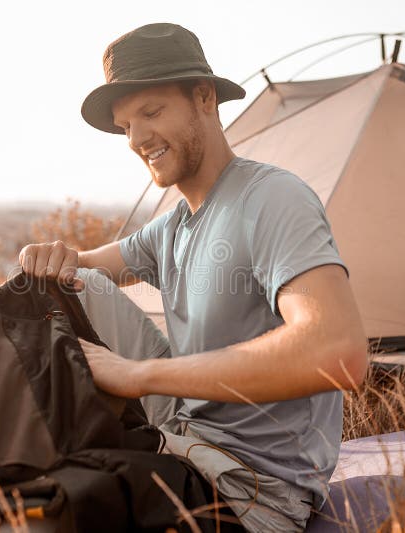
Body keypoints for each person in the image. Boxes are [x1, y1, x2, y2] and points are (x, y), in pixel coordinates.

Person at [19, 22, 368, 532]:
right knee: (58, 283)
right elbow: (84, 267)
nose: (137, 138)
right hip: (181, 433)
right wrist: (50, 255)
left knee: (48, 515)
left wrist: (135, 376)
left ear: (204, 97)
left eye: (151, 112)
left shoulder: (272, 198)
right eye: (125, 127)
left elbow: (338, 352)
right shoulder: (174, 226)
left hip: (251, 487)